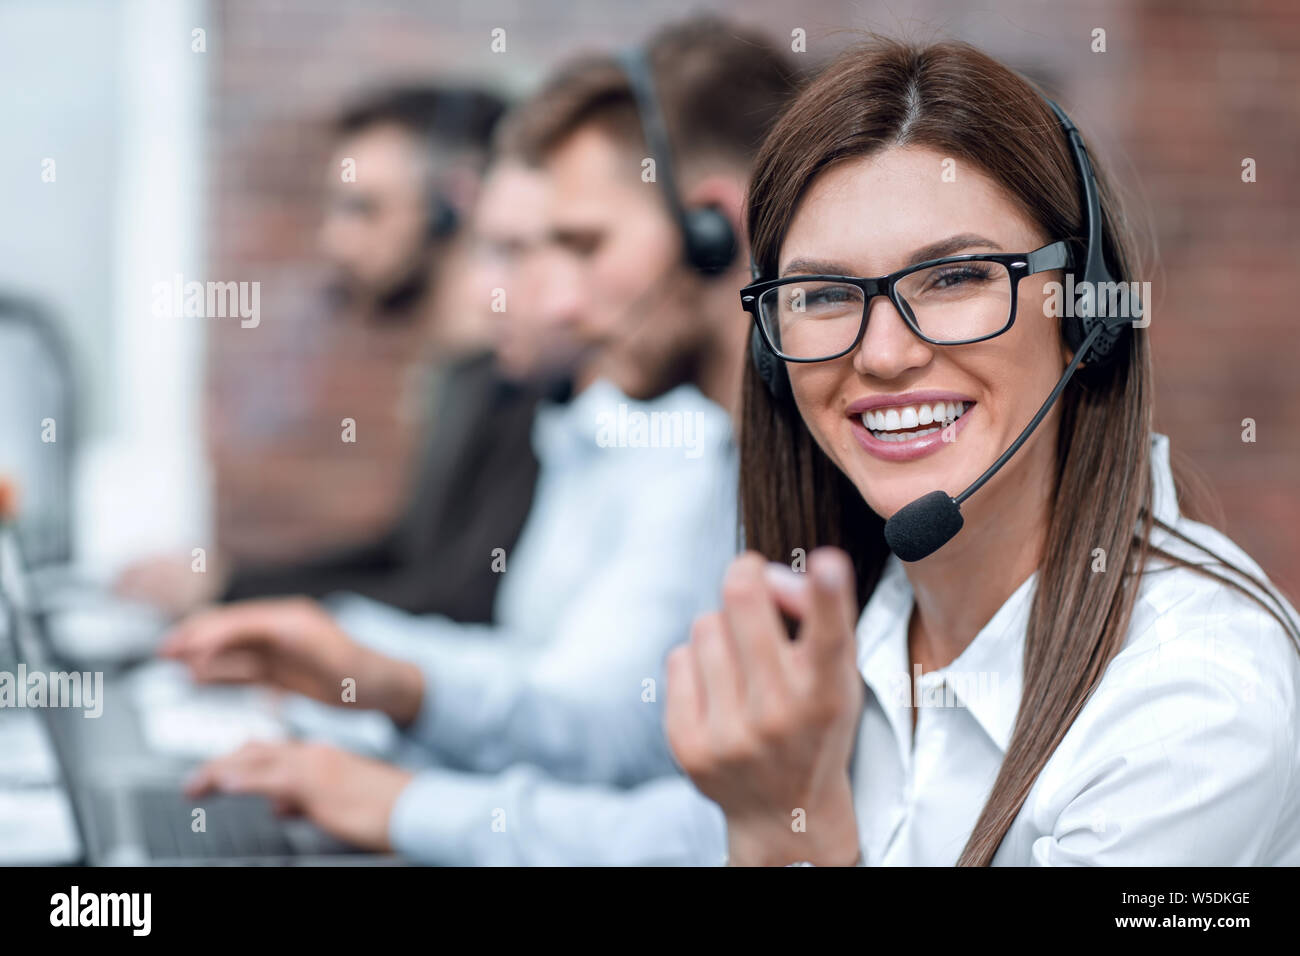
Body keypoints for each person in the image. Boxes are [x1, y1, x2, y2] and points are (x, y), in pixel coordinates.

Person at [162, 18, 799, 865]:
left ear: (712, 231)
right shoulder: (685, 443)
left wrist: (397, 784)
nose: (554, 304)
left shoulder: (745, 468)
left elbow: (627, 754)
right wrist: (357, 664)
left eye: (581, 246)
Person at [665, 37, 1300, 866]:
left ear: (1084, 313)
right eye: (822, 294)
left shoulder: (1197, 702)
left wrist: (783, 836)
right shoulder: (848, 626)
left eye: (957, 277)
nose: (884, 354)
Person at [116, 86, 543, 624]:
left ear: (454, 206)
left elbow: (456, 600)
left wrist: (251, 613)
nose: (334, 240)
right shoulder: (463, 377)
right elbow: (408, 557)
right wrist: (229, 587)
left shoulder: (526, 382)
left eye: (363, 209)